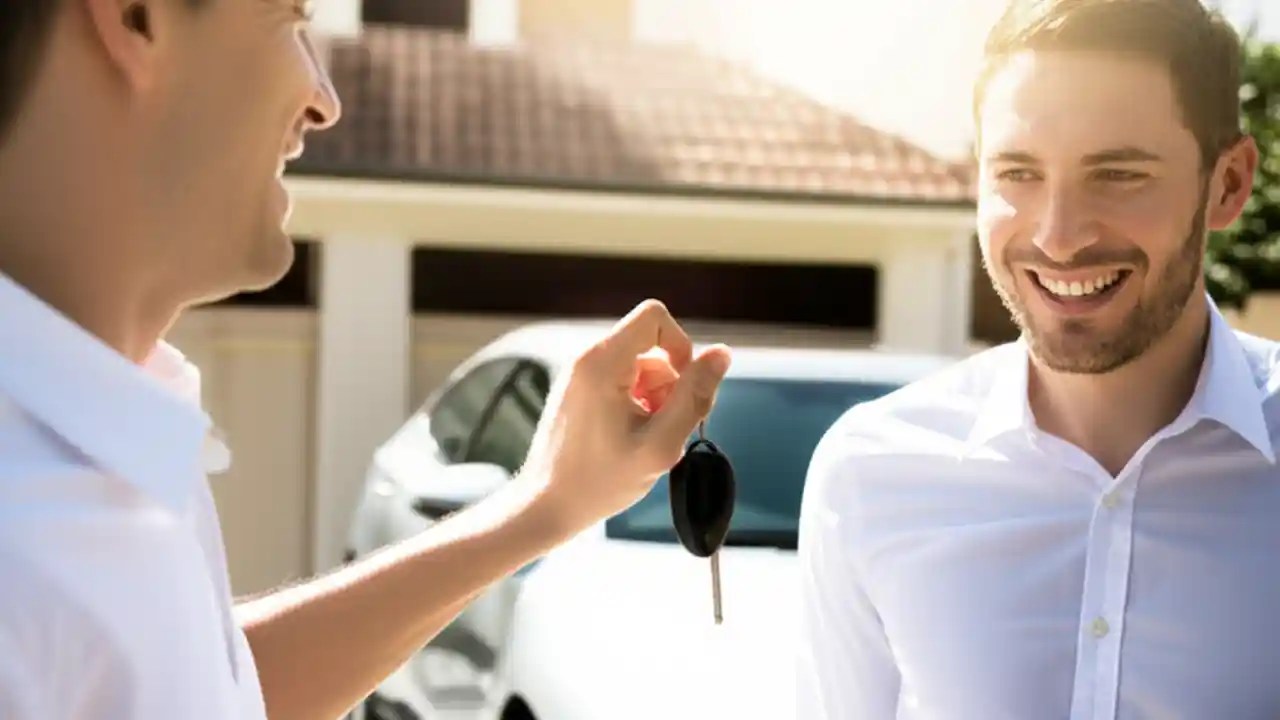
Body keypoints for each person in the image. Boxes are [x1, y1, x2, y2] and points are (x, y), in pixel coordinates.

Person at [0, 2, 732, 719]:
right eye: (290, 16)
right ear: (135, 14)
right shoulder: (27, 550)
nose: (325, 101)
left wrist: (544, 504)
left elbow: (208, 686)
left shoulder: (91, 466)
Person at [797, 0, 1280, 717]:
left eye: (1117, 175)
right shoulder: (868, 475)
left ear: (1228, 184)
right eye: (1018, 173)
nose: (1059, 237)